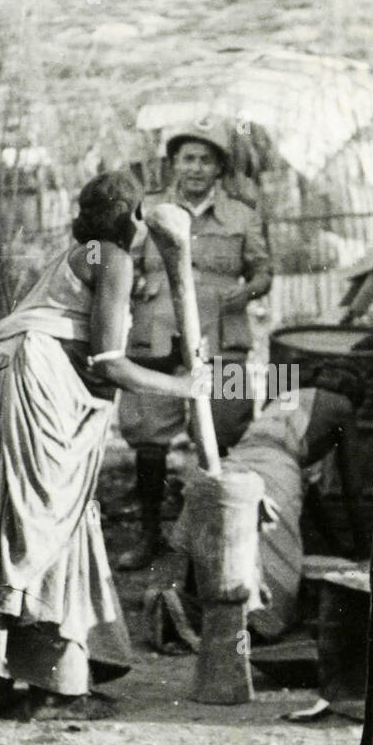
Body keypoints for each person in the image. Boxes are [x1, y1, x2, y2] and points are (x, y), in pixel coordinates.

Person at [0, 171, 203, 717]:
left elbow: (84, 349)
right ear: (132, 217)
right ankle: (44, 686)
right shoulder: (114, 257)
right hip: (27, 384)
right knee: (47, 523)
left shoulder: (79, 255)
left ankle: (25, 679)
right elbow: (109, 365)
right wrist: (183, 385)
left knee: (17, 522)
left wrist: (169, 366)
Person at [116, 117, 274, 570]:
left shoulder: (242, 215)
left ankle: (214, 535)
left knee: (224, 434)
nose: (196, 168)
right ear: (174, 165)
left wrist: (243, 293)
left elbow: (263, 273)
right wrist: (136, 284)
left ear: (219, 168)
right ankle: (151, 534)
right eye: (188, 159)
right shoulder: (146, 212)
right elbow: (119, 264)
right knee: (148, 436)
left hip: (220, 337)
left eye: (206, 160)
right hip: (157, 336)